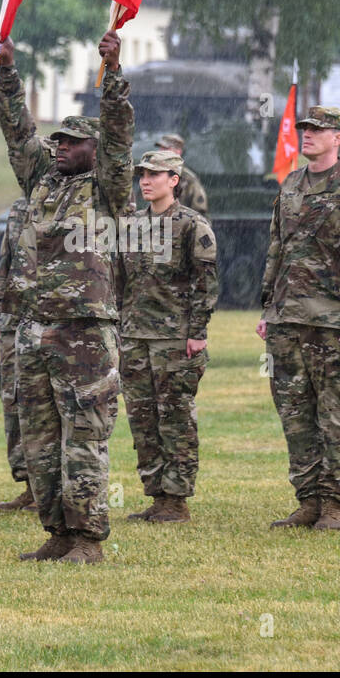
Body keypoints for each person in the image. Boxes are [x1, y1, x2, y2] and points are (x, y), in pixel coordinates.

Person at [0, 29, 133, 565]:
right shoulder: (44, 184)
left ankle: (88, 538)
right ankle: (57, 531)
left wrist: (113, 74)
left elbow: (120, 138)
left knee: (85, 433)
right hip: (34, 327)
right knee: (41, 436)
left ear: (95, 150)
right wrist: (6, 73)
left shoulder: (109, 189)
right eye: (58, 140)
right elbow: (16, 132)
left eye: (72, 141)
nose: (60, 146)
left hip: (84, 331)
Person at [257, 106, 340, 533]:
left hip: (333, 322)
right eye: (305, 129)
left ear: (338, 138)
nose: (308, 135)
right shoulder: (291, 184)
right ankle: (308, 499)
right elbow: (277, 246)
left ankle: (333, 503)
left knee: (334, 415)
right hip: (287, 320)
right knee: (295, 414)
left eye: (318, 130)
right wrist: (268, 306)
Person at [119, 150, 218, 523]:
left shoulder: (193, 225)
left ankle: (176, 500)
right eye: (142, 175)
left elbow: (205, 284)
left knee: (175, 418)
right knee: (142, 420)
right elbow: (121, 282)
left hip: (175, 339)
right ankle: (157, 495)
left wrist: (197, 332)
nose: (145, 181)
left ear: (174, 180)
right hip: (135, 337)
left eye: (154, 175)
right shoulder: (130, 225)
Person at [0, 196, 35, 511]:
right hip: (12, 317)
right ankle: (31, 484)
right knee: (12, 397)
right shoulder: (19, 208)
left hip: (48, 315)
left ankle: (51, 486)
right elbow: (6, 262)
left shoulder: (70, 204)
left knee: (41, 402)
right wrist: (0, 316)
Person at [154, 133, 209, 217]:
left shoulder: (188, 179)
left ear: (178, 152)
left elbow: (200, 213)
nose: (160, 151)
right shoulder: (151, 175)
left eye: (165, 148)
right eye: (160, 148)